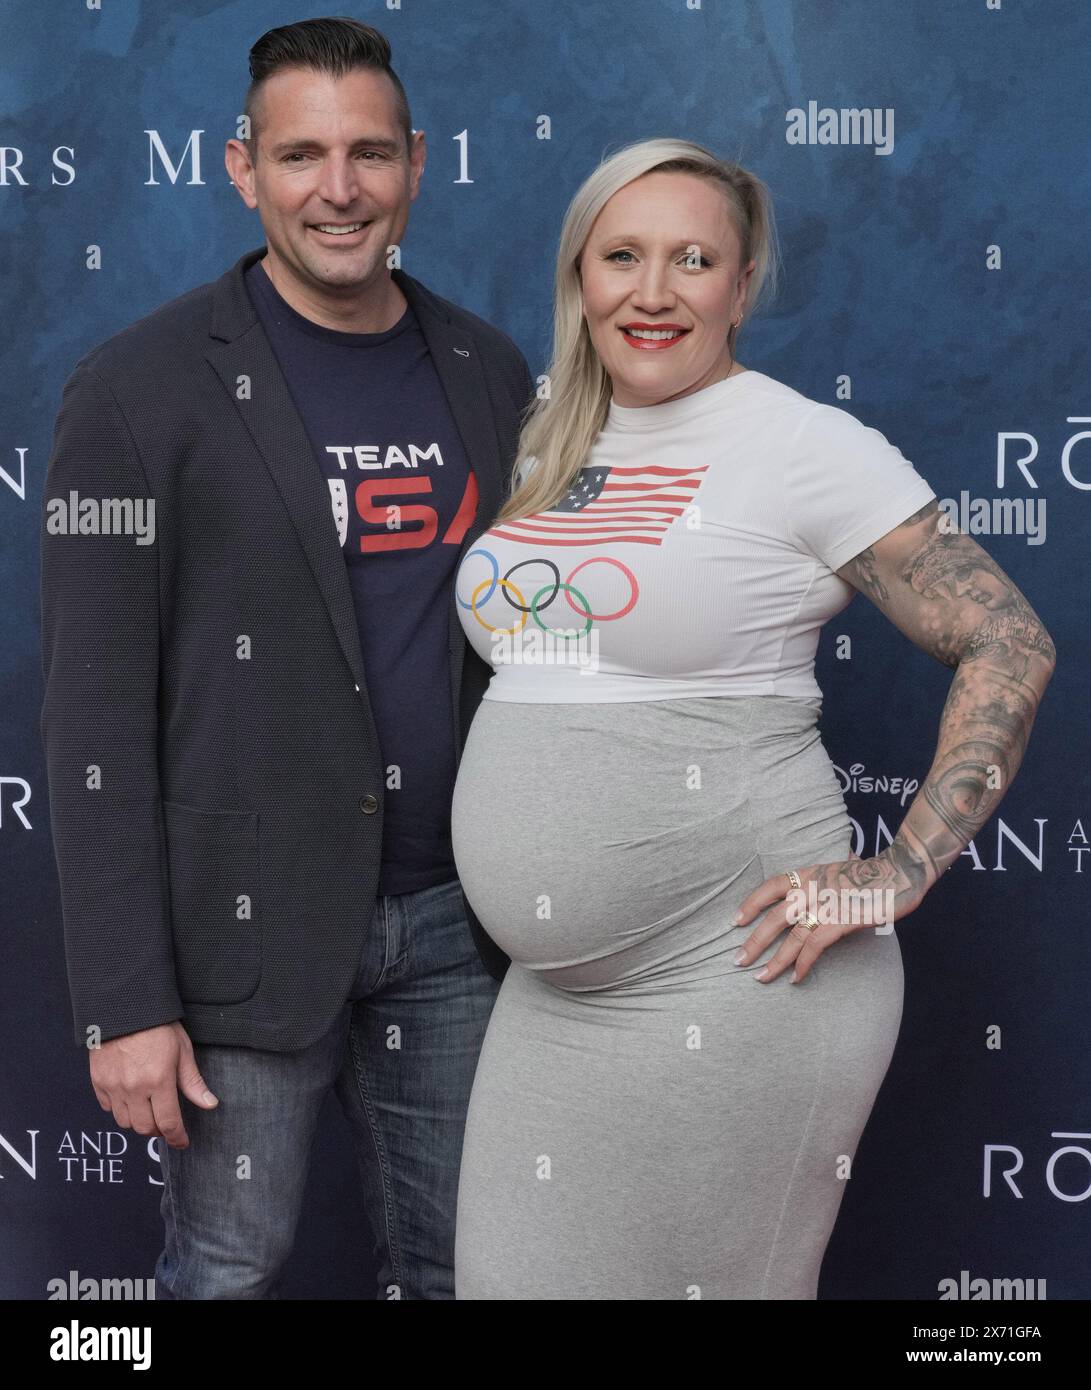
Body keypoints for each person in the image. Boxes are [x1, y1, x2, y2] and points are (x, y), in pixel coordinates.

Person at [450, 137, 1056, 1299]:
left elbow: (1006, 638)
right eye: (621, 255)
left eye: (694, 259)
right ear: (581, 273)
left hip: (737, 976)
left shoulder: (799, 447)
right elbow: (562, 667)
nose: (654, 289)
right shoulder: (551, 438)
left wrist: (900, 869)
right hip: (551, 999)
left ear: (739, 284)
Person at [39, 17, 531, 1300]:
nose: (339, 189)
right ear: (239, 166)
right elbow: (92, 727)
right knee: (227, 1271)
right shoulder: (136, 390)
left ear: (418, 163)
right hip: (235, 942)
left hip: (455, 924)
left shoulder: (486, 367)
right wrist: (127, 999)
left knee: (463, 1269)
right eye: (301, 154)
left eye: (369, 152)